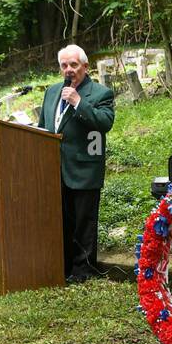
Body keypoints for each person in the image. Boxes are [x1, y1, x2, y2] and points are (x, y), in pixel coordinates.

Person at [40, 45, 115, 283]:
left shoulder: (101, 93)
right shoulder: (52, 92)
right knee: (61, 220)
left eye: (73, 65)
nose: (69, 70)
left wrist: (78, 102)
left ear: (85, 66)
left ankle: (83, 271)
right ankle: (61, 268)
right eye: (64, 65)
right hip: (55, 168)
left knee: (84, 222)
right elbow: (43, 126)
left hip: (84, 168)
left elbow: (104, 123)